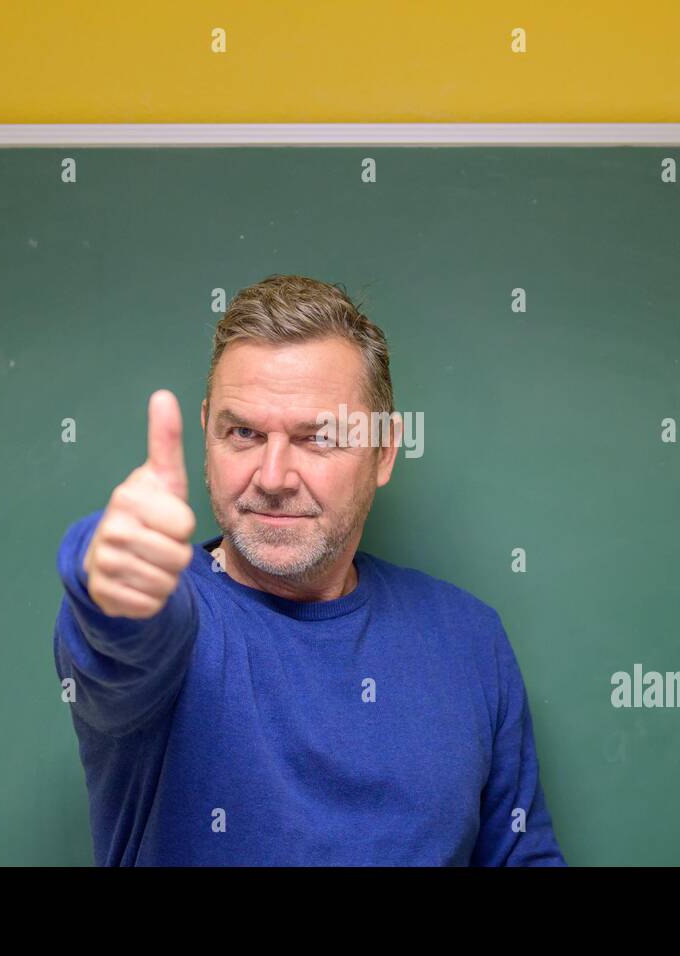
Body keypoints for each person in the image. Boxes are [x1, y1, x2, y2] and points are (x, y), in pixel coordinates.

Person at [53, 274, 565, 865]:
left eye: (317, 437)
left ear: (384, 451)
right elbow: (118, 641)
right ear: (206, 434)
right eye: (242, 433)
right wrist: (106, 575)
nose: (272, 478)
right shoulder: (171, 618)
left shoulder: (469, 637)